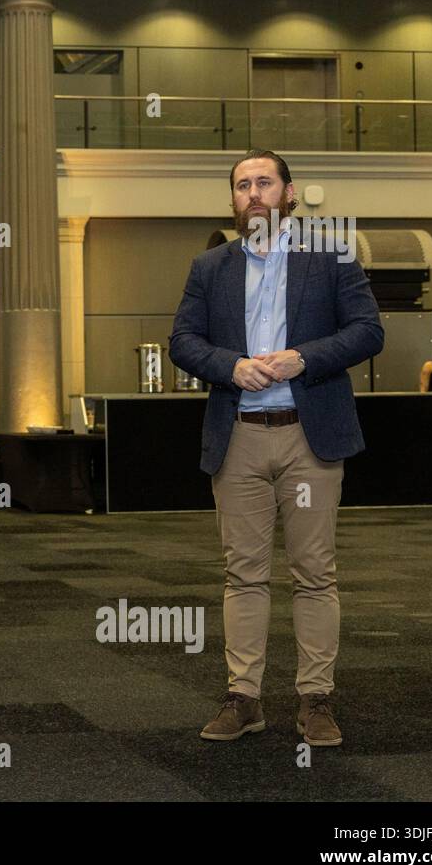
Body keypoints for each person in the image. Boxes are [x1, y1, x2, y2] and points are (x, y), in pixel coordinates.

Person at [170, 149, 383, 748]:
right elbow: (183, 341)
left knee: (315, 573)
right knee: (243, 573)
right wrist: (231, 365)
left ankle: (316, 700)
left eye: (265, 182)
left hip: (309, 438)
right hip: (237, 437)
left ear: (288, 193)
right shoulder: (209, 266)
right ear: (234, 200)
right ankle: (245, 698)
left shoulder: (331, 254)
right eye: (242, 185)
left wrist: (303, 357)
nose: (253, 193)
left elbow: (369, 330)